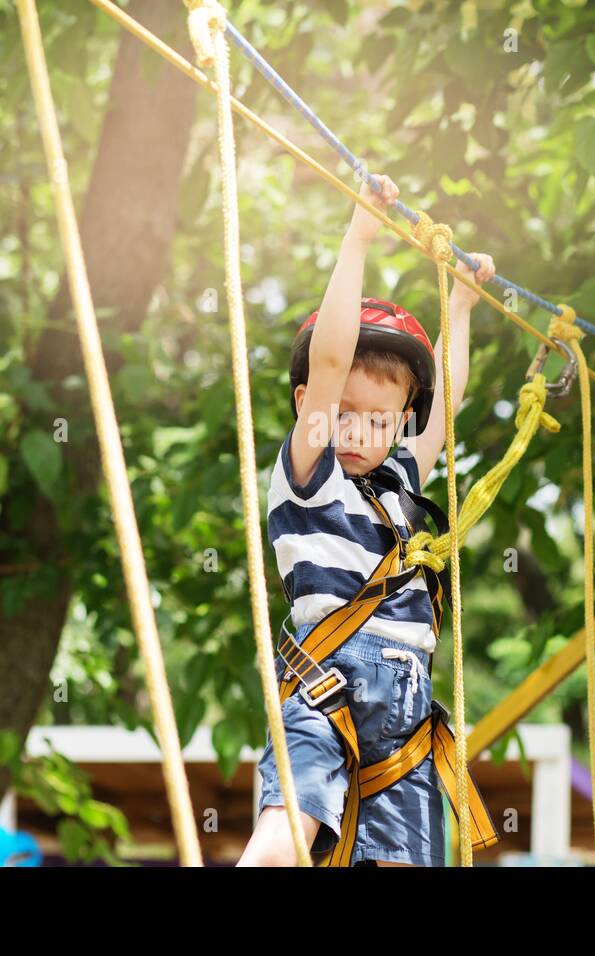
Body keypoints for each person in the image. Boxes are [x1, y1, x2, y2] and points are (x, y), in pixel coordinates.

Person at [237, 174, 495, 866]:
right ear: (308, 405)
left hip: (407, 712)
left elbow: (446, 409)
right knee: (290, 835)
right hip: (329, 688)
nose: (357, 430)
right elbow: (330, 361)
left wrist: (462, 309)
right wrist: (360, 233)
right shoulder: (310, 473)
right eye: (342, 412)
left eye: (378, 420)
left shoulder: (397, 484)